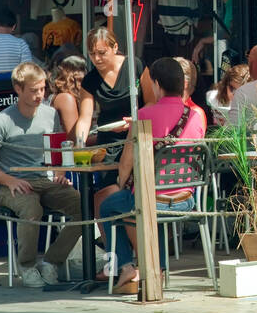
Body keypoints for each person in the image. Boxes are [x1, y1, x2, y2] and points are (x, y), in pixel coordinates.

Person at [98, 57, 207, 293]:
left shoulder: (145, 114)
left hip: (151, 200)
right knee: (148, 206)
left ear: (157, 84)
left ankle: (126, 266)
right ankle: (160, 269)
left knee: (108, 207)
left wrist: (123, 183)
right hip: (186, 200)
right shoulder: (197, 116)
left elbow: (125, 164)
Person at [0, 62, 82, 289]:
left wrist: (61, 171)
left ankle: (51, 262)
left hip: (45, 179)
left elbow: (55, 151)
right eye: (34, 90)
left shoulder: (51, 114)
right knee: (31, 208)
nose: (40, 95)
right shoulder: (1, 121)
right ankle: (26, 265)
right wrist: (10, 181)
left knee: (83, 206)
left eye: (43, 89)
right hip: (11, 182)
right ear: (18, 88)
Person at [83, 28, 137, 215]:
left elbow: (151, 102)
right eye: (92, 54)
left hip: (135, 139)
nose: (97, 59)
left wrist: (135, 122)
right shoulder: (90, 80)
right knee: (107, 197)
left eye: (101, 53)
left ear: (115, 48)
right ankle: (111, 241)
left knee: (131, 196)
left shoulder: (134, 66)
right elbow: (85, 117)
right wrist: (79, 141)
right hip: (108, 144)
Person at [50, 56, 93, 146]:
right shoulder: (66, 98)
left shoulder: (64, 96)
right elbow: (75, 140)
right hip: (64, 156)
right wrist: (105, 136)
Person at [206, 63, 249, 128]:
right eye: (232, 88)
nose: (234, 94)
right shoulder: (212, 97)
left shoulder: (252, 104)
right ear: (225, 85)